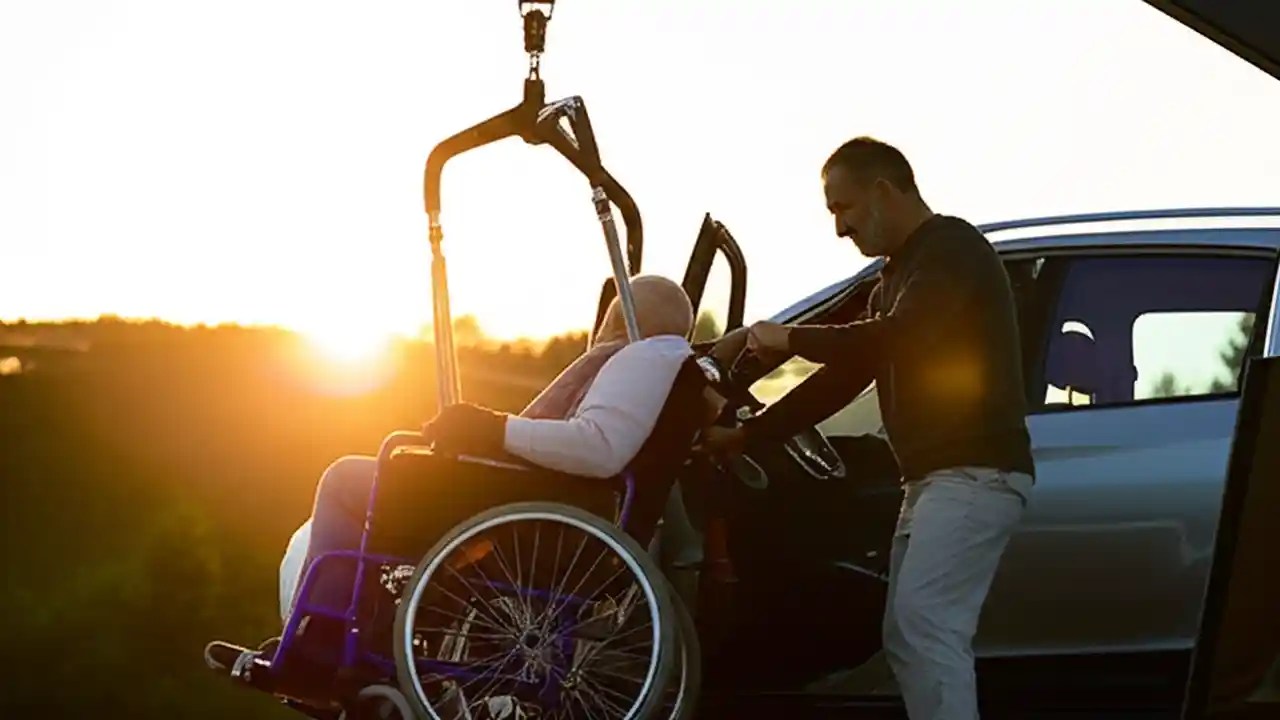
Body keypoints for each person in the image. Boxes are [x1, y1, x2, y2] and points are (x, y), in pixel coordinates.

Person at [700, 136, 1035, 720]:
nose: (839, 229)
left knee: (928, 630)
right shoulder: (897, 274)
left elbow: (897, 336)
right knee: (907, 637)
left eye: (843, 209)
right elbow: (848, 372)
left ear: (883, 191)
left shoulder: (951, 249)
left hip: (975, 477)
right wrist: (748, 437)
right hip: (933, 482)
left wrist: (790, 337)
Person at [277, 274, 723, 622]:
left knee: (346, 479)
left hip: (539, 519)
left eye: (608, 319)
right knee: (371, 482)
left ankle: (320, 632)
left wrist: (490, 429)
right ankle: (364, 620)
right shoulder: (654, 367)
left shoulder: (642, 357)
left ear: (624, 319)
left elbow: (598, 448)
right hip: (550, 510)